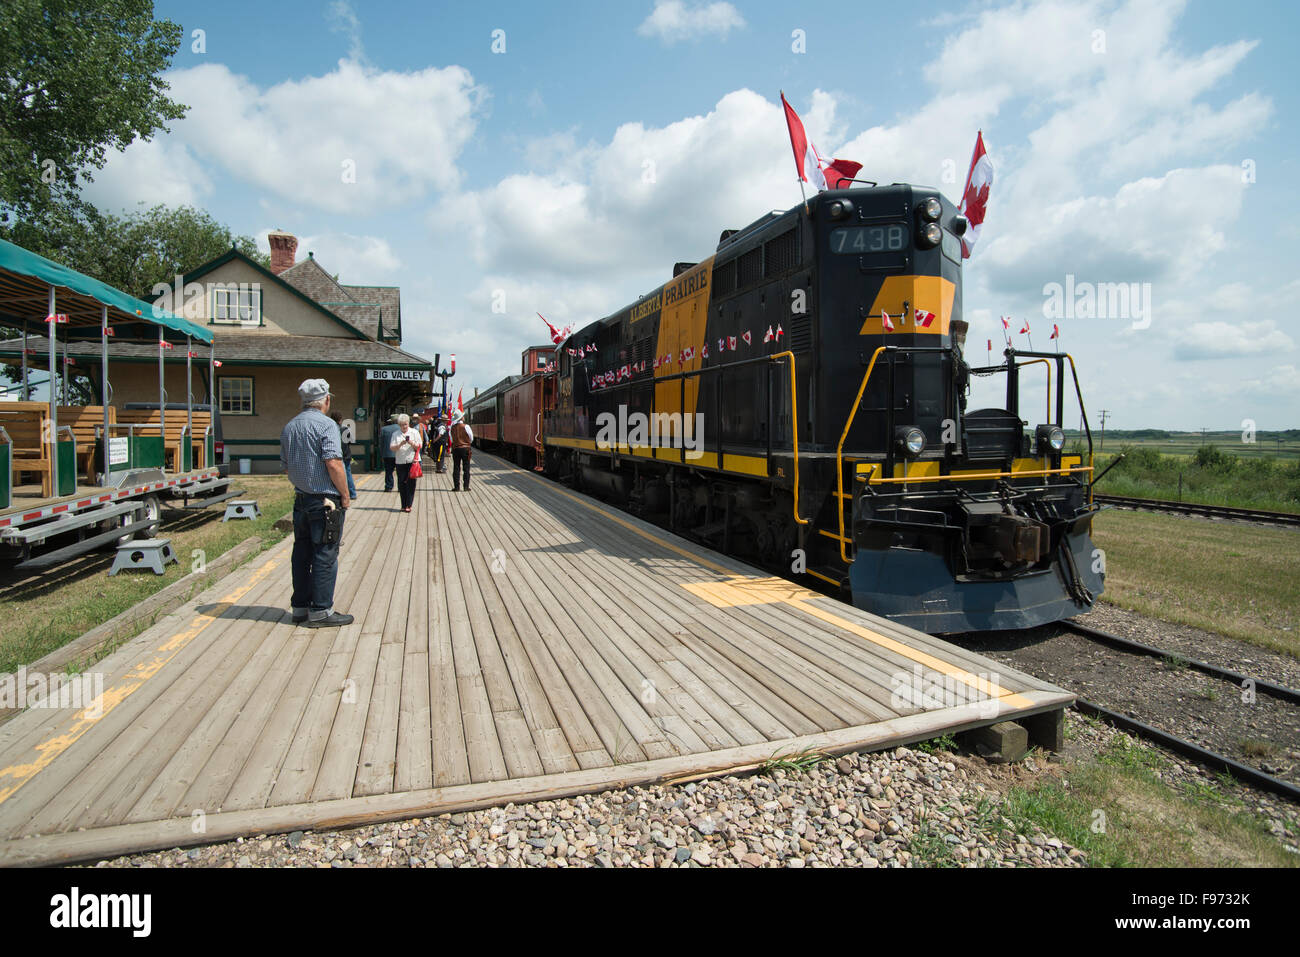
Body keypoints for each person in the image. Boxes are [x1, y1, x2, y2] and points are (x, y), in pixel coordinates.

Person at [281, 379, 353, 628]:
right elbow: (334, 463)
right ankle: (321, 610)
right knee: (325, 555)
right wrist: (345, 495)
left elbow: (287, 466)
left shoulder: (290, 427)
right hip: (325, 502)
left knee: (301, 554)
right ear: (326, 401)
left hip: (300, 500)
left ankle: (300, 607)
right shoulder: (327, 425)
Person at [389, 412, 423, 513]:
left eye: (405, 424)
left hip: (413, 461)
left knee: (411, 483)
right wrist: (400, 444)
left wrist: (412, 443)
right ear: (399, 425)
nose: (404, 426)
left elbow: (419, 446)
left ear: (408, 423)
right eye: (402, 424)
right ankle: (403, 505)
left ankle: (409, 504)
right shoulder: (395, 434)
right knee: (402, 483)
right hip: (400, 461)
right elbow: (392, 448)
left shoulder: (414, 432)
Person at [330, 411, 358, 501]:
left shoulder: (330, 429)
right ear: (340, 420)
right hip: (346, 455)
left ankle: (338, 493)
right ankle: (352, 493)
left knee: (335, 474)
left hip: (334, 455)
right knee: (348, 474)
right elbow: (351, 441)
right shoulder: (345, 429)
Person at [449, 409, 474, 491]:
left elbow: (451, 439)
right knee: (466, 468)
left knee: (456, 467)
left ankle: (456, 487)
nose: (464, 417)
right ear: (461, 418)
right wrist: (467, 443)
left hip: (456, 449)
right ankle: (466, 487)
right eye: (463, 416)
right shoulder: (466, 426)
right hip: (465, 449)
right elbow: (471, 438)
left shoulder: (452, 428)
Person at [379, 413, 400, 492]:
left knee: (388, 472)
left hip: (387, 454)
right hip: (399, 454)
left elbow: (381, 443)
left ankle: (388, 487)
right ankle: (400, 488)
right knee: (400, 472)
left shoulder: (384, 429)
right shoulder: (402, 429)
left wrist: (381, 454)